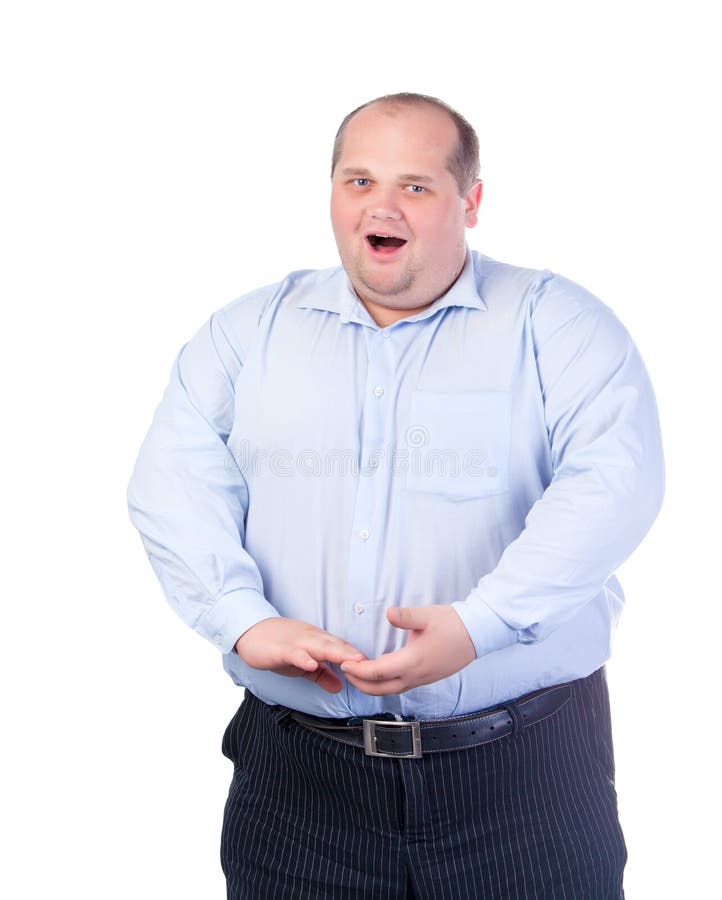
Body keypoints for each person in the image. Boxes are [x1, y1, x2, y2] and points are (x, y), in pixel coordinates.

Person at [128, 92, 664, 899]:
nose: (381, 206)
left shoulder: (558, 326)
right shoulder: (246, 333)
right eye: (358, 181)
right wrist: (242, 619)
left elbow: (613, 486)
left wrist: (481, 627)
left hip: (524, 777)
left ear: (470, 201)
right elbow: (172, 485)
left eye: (416, 185)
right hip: (299, 782)